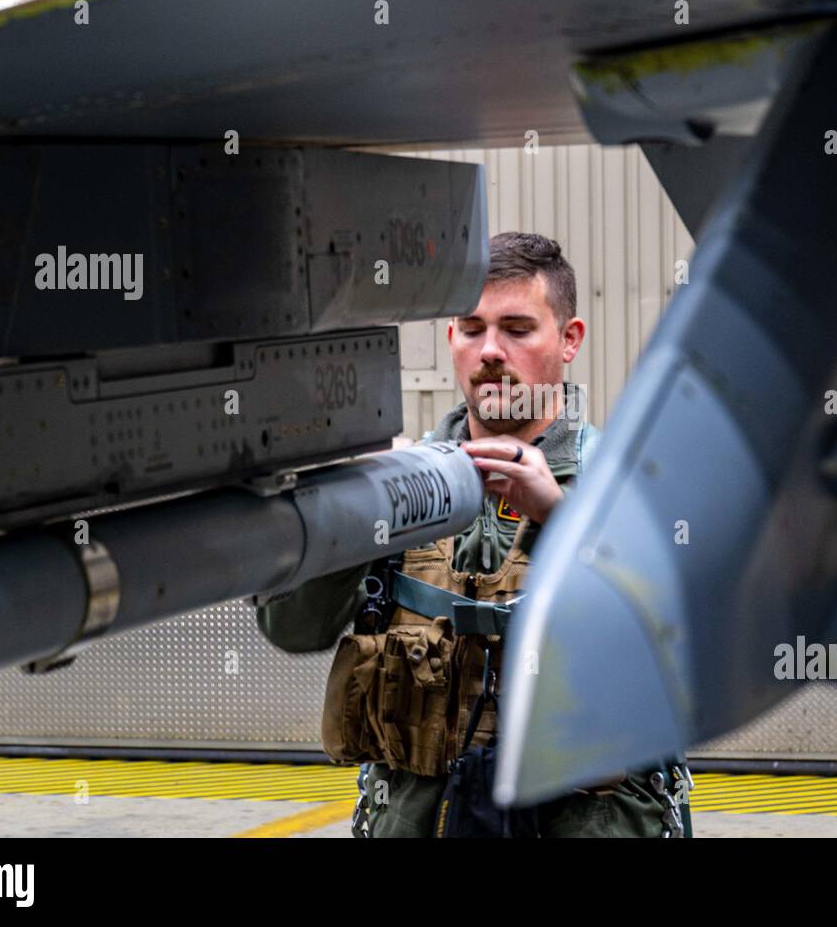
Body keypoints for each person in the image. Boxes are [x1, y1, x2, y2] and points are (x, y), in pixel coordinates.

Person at [256, 232, 686, 837]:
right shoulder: (399, 486)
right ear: (450, 337)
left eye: (517, 328)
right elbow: (293, 628)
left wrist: (558, 519)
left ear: (570, 340)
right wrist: (345, 511)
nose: (491, 351)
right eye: (472, 327)